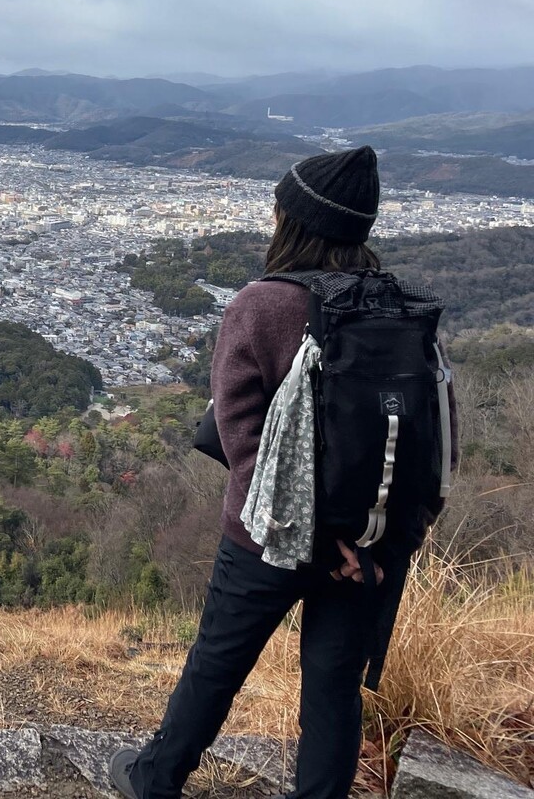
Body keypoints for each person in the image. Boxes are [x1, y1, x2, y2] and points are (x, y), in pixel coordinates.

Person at [108, 145, 454, 799]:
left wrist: (305, 533)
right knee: (332, 688)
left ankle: (154, 779)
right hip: (365, 548)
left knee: (216, 666)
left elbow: (243, 435)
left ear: (294, 222)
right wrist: (377, 544)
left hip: (264, 537)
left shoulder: (260, 305)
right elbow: (431, 446)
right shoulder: (405, 314)